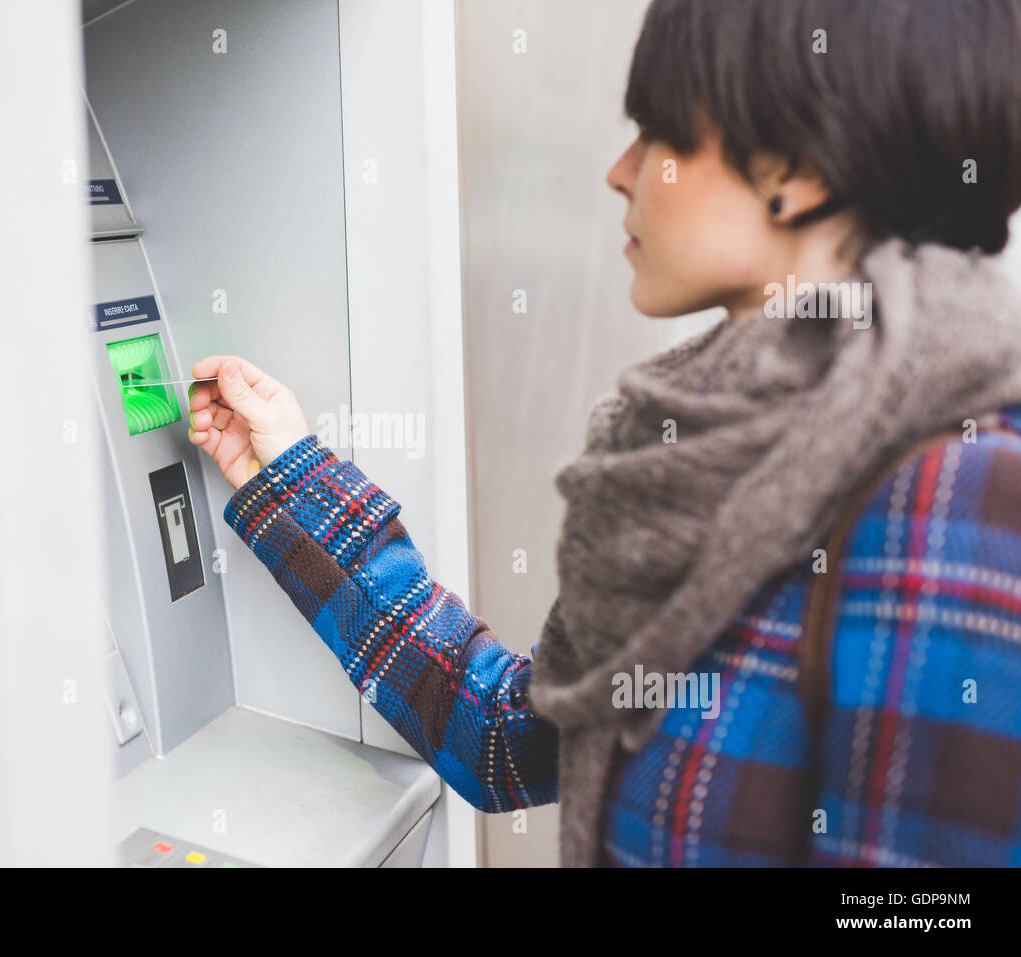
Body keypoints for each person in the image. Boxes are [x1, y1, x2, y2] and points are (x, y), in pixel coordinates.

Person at [187, 0, 1021, 867]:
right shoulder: (710, 448)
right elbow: (507, 735)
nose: (621, 171)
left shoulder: (964, 501)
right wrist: (288, 475)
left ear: (795, 171)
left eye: (659, 135)